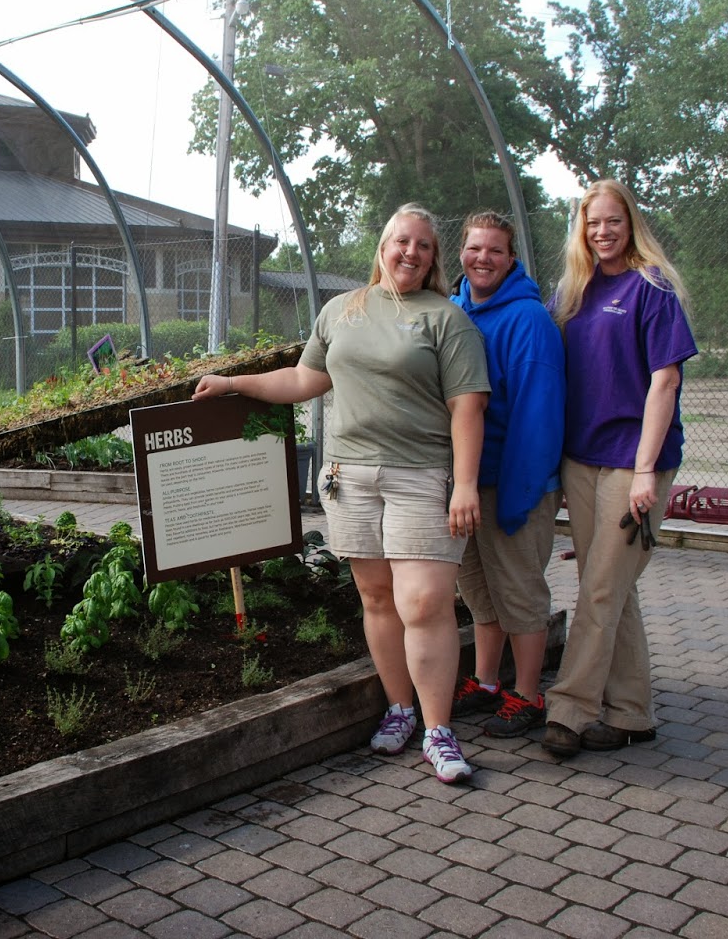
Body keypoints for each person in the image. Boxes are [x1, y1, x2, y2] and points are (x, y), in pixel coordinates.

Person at [193, 203, 489, 784]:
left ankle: (439, 731)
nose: (410, 252)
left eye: (423, 246)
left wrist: (467, 484)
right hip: (348, 479)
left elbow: (468, 407)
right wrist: (232, 383)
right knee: (376, 598)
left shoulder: (446, 319)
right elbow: (305, 379)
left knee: (424, 602)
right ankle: (399, 710)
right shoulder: (343, 310)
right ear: (383, 247)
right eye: (401, 241)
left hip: (421, 478)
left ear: (433, 260)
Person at [541, 179, 697, 759]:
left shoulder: (652, 289)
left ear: (631, 224)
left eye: (613, 221)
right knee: (609, 586)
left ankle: (569, 710)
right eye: (592, 223)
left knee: (601, 589)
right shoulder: (571, 292)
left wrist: (647, 471)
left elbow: (666, 382)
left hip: (634, 465)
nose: (602, 231)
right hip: (580, 461)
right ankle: (632, 714)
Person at [448, 211, 566, 738]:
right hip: (466, 484)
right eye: (476, 249)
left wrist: (519, 494)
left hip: (513, 482)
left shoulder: (528, 320)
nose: (484, 259)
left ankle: (528, 693)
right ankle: (487, 680)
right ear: (461, 254)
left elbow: (537, 416)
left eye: (495, 251)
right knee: (478, 589)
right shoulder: (454, 310)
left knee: (519, 590)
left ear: (511, 259)